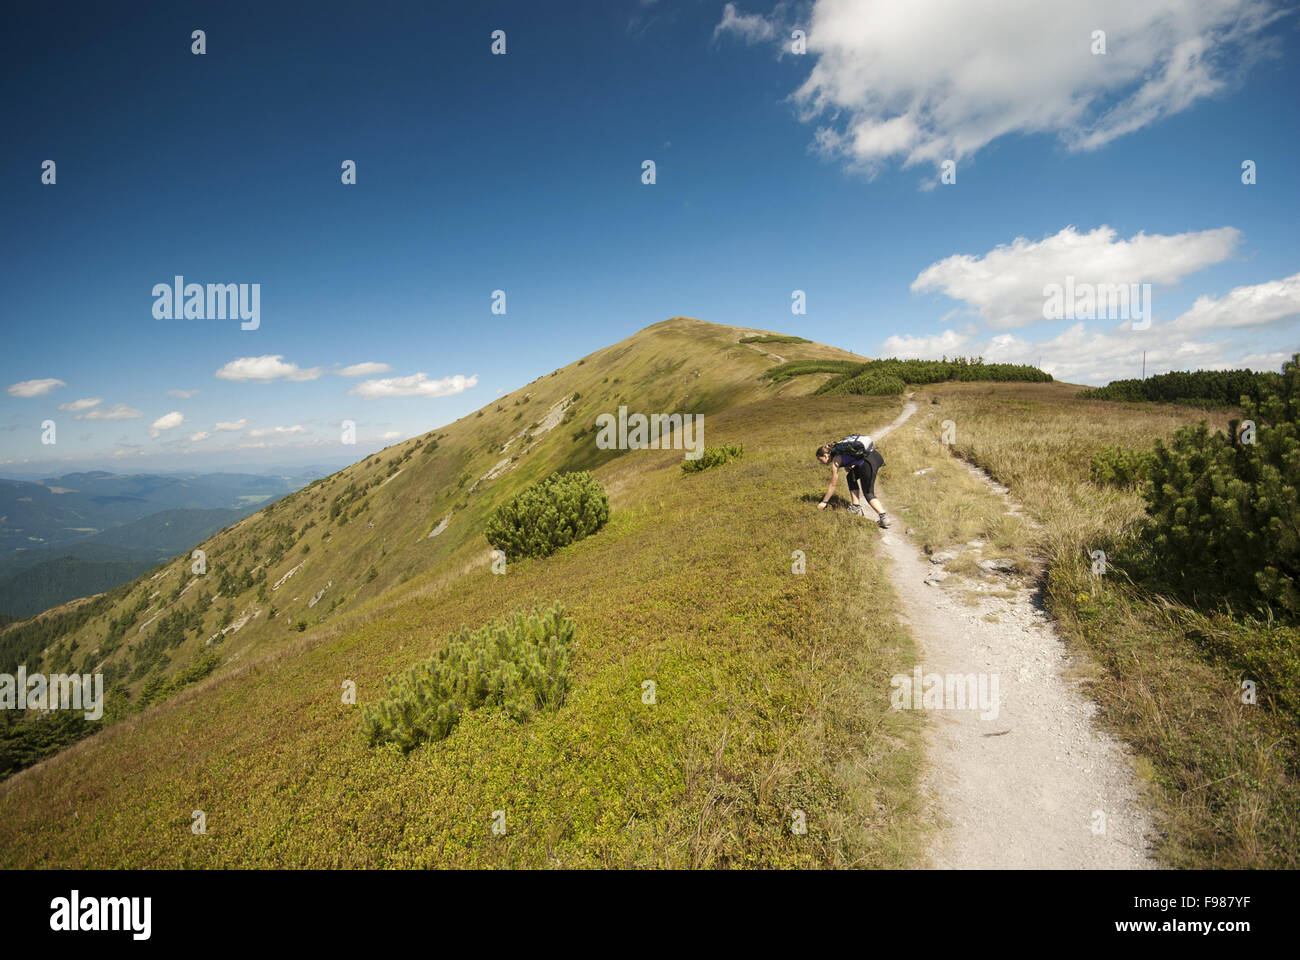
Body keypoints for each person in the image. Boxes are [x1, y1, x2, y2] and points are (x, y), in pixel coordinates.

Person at [815, 436, 892, 528]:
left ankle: (883, 517)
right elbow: (852, 460)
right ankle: (855, 506)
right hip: (875, 456)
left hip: (868, 462)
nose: (821, 463)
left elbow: (833, 485)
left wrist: (824, 502)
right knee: (851, 476)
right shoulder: (840, 451)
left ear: (825, 455)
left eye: (820, 460)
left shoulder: (836, 459)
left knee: (868, 493)